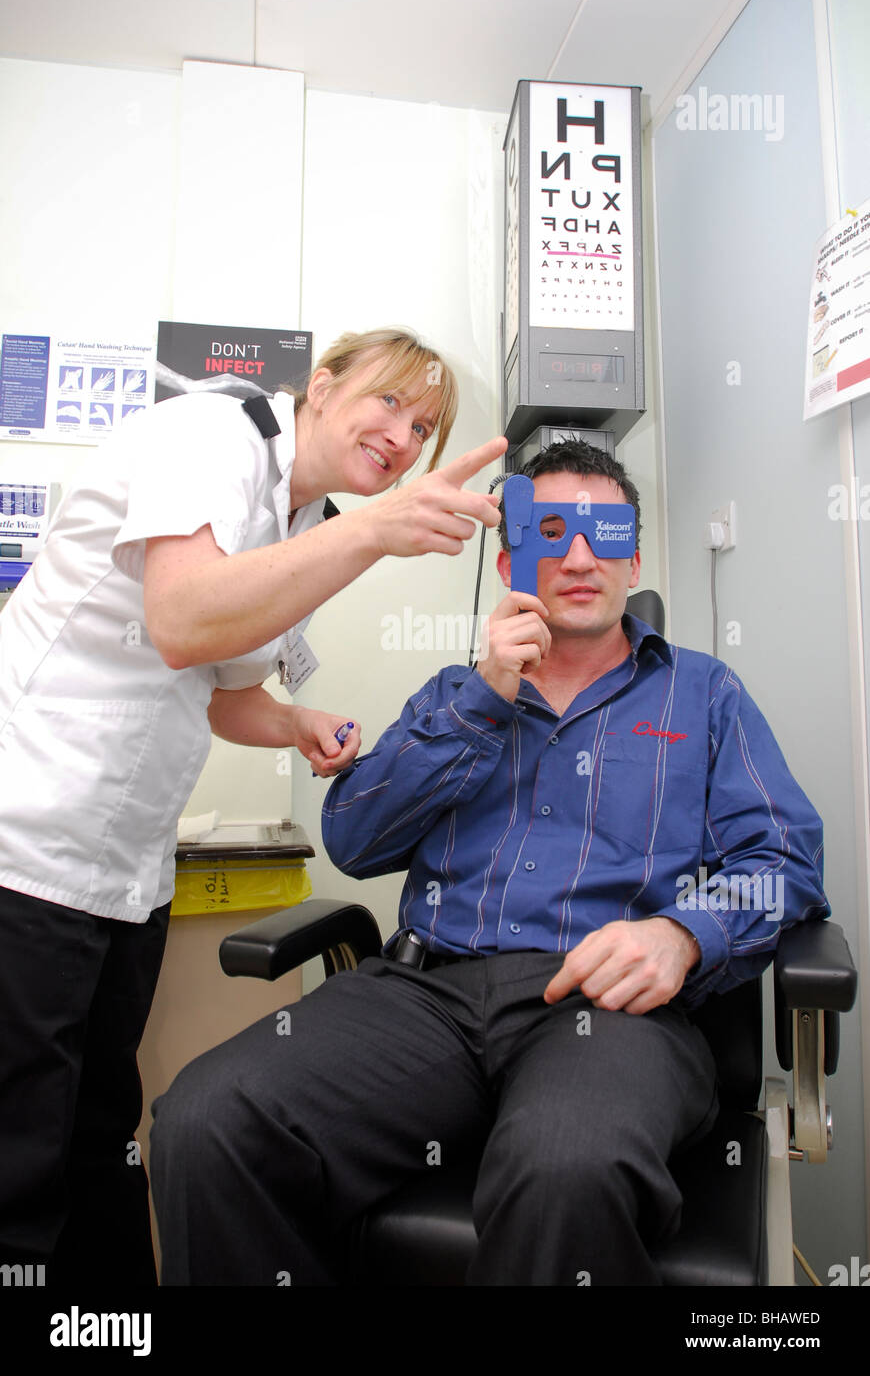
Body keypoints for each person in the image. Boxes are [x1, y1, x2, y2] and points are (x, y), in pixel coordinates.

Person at [149, 439, 830, 1286]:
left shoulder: (706, 695)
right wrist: (484, 698)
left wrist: (684, 935)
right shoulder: (454, 695)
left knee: (563, 1166)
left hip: (605, 1011)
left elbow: (788, 860)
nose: (579, 556)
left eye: (603, 534)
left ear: (634, 557)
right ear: (510, 560)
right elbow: (355, 840)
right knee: (206, 1119)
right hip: (427, 997)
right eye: (550, 532)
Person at [0, 326, 506, 1286]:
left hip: (123, 872)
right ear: (321, 386)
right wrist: (379, 529)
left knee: (103, 1134)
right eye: (390, 404)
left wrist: (298, 723)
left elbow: (223, 691)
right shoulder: (212, 435)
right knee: (19, 1156)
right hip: (26, 840)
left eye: (426, 427)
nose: (405, 438)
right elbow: (184, 620)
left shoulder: (309, 523)